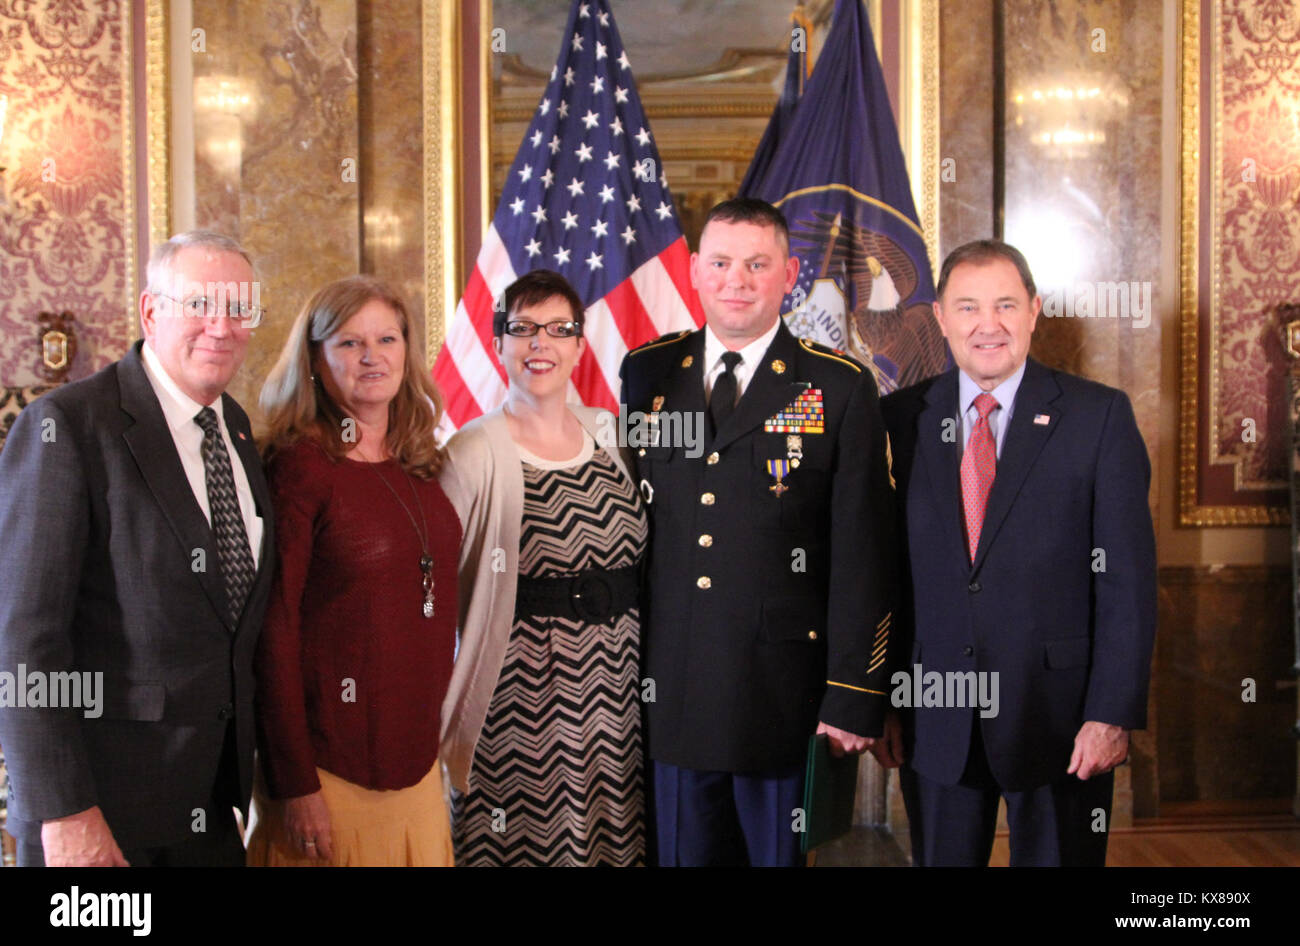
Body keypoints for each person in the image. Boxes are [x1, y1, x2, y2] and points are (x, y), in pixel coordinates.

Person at [619, 198, 897, 867]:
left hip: (783, 698)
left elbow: (867, 554)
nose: (736, 279)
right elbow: (632, 523)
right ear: (694, 271)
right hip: (673, 693)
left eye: (756, 264)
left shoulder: (837, 385)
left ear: (788, 274)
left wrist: (854, 693)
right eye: (719, 262)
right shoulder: (648, 373)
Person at [0, 231, 274, 866]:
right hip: (100, 817)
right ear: (151, 312)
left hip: (207, 811)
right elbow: (24, 641)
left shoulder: (233, 426)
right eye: (201, 304)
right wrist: (65, 814)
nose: (221, 326)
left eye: (238, 308)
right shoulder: (66, 426)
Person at [880, 239, 1156, 866]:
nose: (988, 325)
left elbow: (1128, 586)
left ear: (1034, 310)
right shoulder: (898, 420)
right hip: (934, 716)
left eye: (1006, 305)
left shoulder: (1098, 417)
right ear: (941, 318)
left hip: (1061, 722)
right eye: (968, 307)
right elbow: (886, 577)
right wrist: (885, 701)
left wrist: (1110, 713)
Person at [247, 275, 459, 866]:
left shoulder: (420, 463)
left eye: (387, 339)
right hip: (328, 776)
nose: (372, 357)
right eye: (348, 343)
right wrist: (294, 783)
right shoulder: (299, 468)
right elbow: (273, 630)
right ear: (314, 360)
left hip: (417, 771)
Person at [439, 269, 648, 866]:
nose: (540, 345)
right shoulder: (472, 452)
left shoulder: (612, 435)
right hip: (522, 706)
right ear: (499, 342)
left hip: (620, 698)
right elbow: (433, 589)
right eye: (523, 329)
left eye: (559, 329)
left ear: (580, 345)